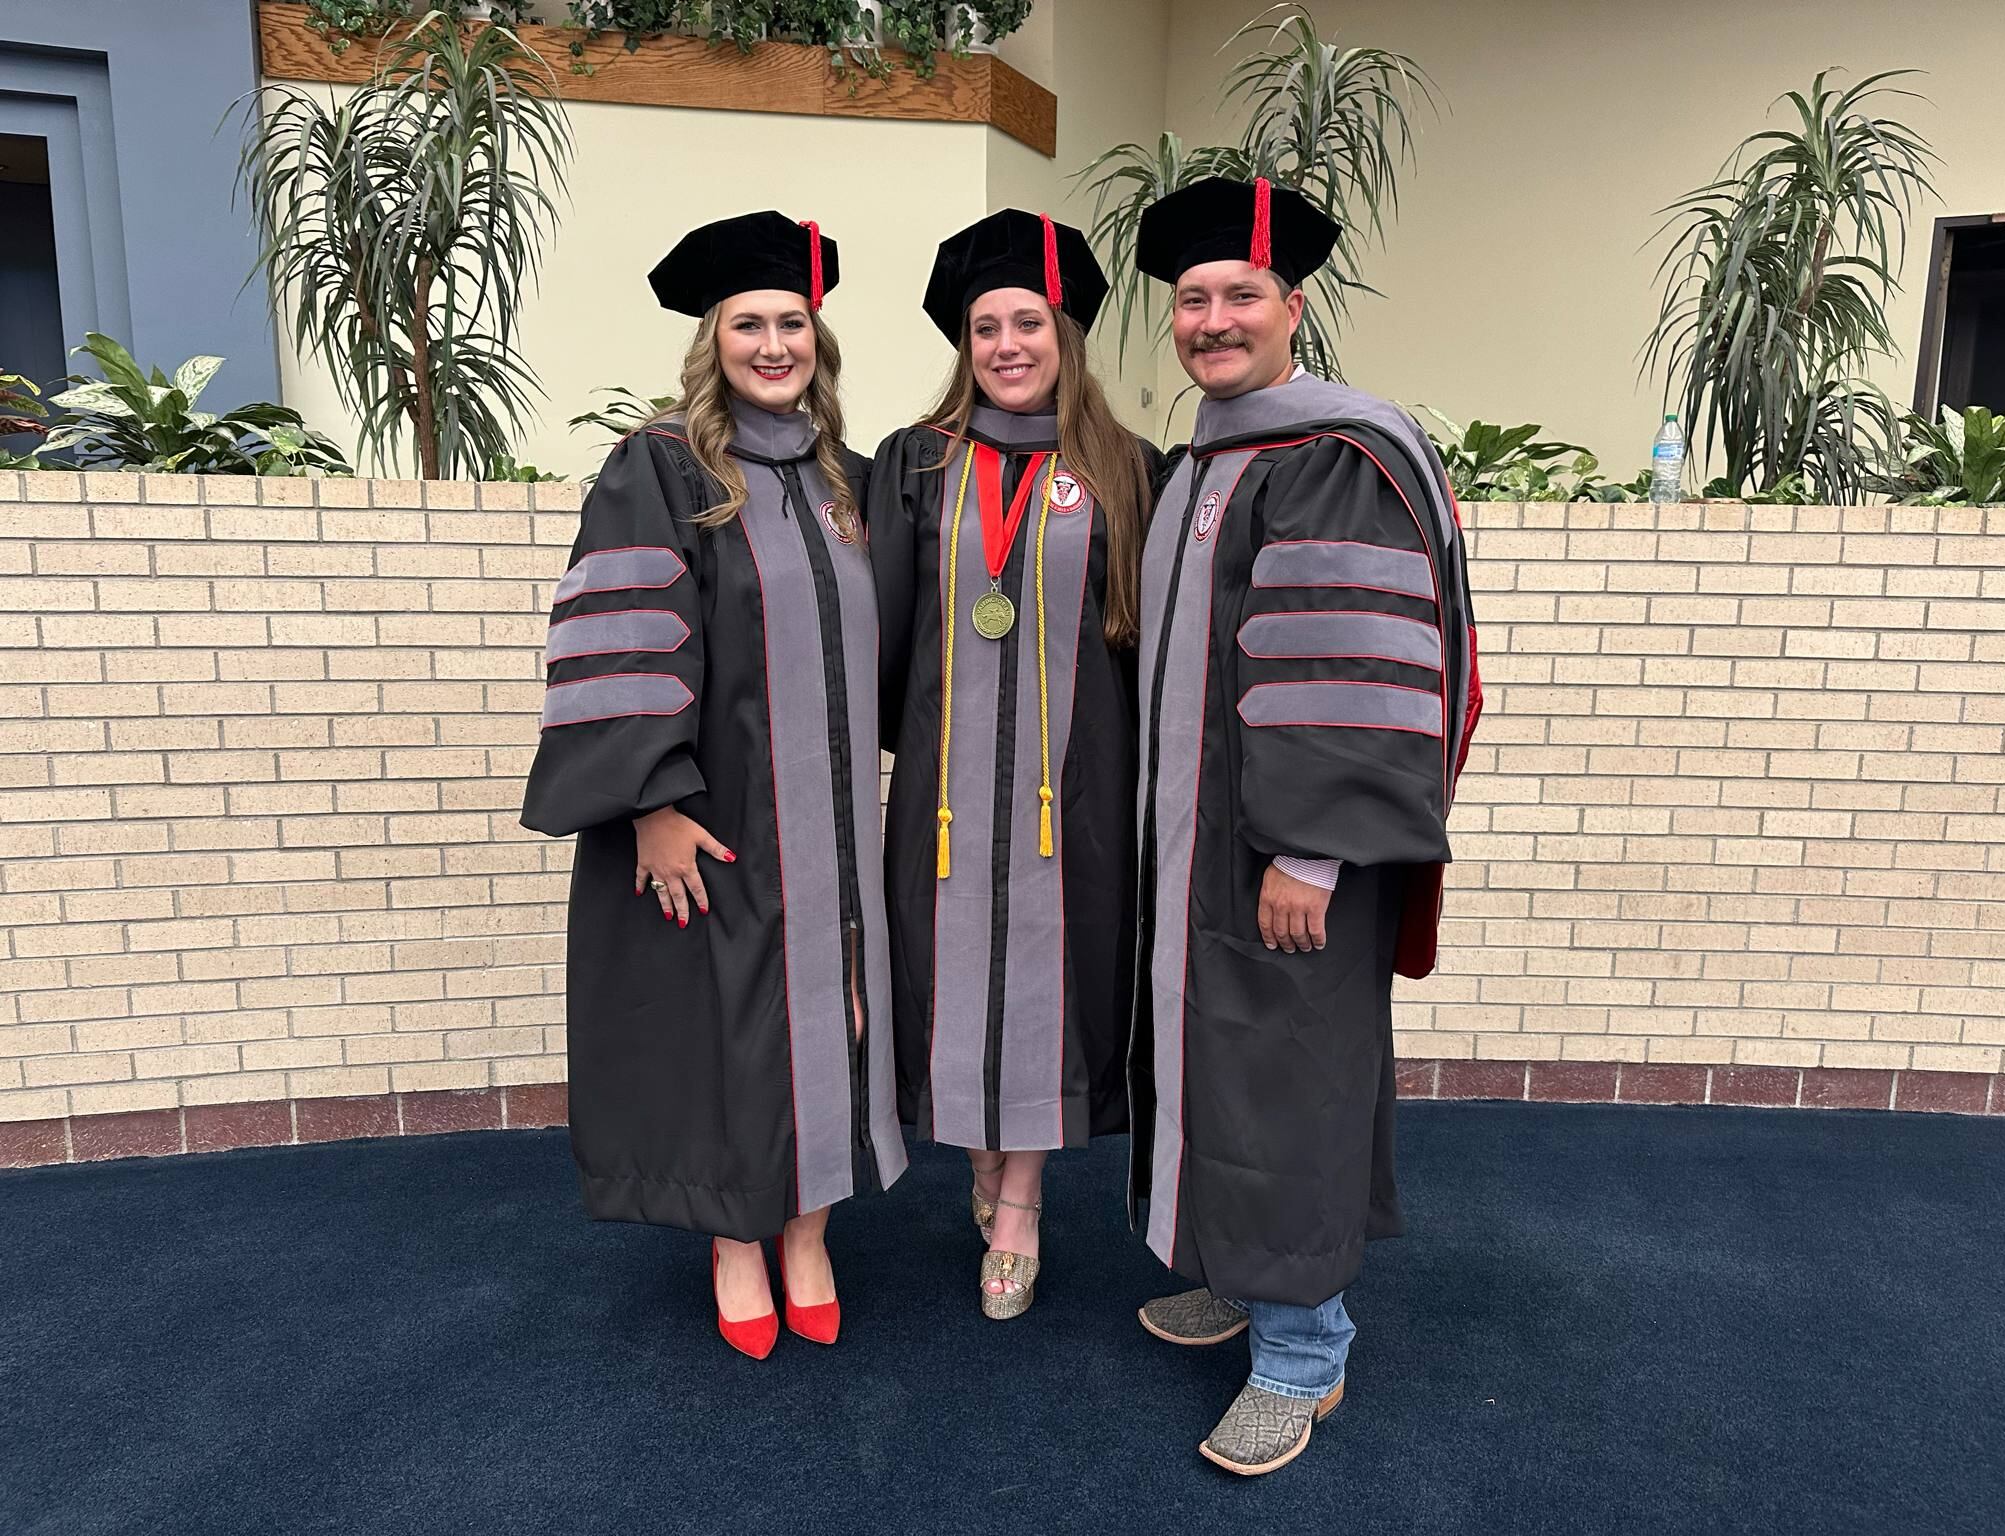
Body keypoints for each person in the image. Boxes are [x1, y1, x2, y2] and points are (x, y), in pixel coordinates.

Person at [1124, 176, 1482, 1473]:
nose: (1214, 319)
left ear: (1293, 305)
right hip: (1206, 852)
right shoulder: (1209, 460)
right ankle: (1245, 1274)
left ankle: (1301, 1354)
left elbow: (1346, 661)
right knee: (1226, 1071)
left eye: (1240, 296)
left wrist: (1312, 852)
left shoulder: (1337, 452)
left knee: (1291, 1083)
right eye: (1193, 299)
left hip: (1289, 856)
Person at [520, 211, 906, 1360]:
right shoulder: (663, 466)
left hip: (833, 820)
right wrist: (652, 802)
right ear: (715, 338)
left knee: (831, 1019)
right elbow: (620, 633)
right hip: (718, 809)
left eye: (792, 322)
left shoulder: (853, 482)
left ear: (817, 341)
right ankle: (737, 1239)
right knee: (725, 1029)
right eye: (750, 323)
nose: (773, 343)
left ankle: (807, 1232)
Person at [868, 210, 1156, 1319]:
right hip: (943, 788)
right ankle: (976, 1155)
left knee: (1049, 983)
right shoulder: (915, 462)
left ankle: (1021, 1200)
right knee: (945, 974)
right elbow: (882, 626)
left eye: (1025, 322)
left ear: (1064, 331)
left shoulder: (1124, 470)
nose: (1005, 345)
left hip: (1067, 789)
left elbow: (1140, 634)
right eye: (983, 327)